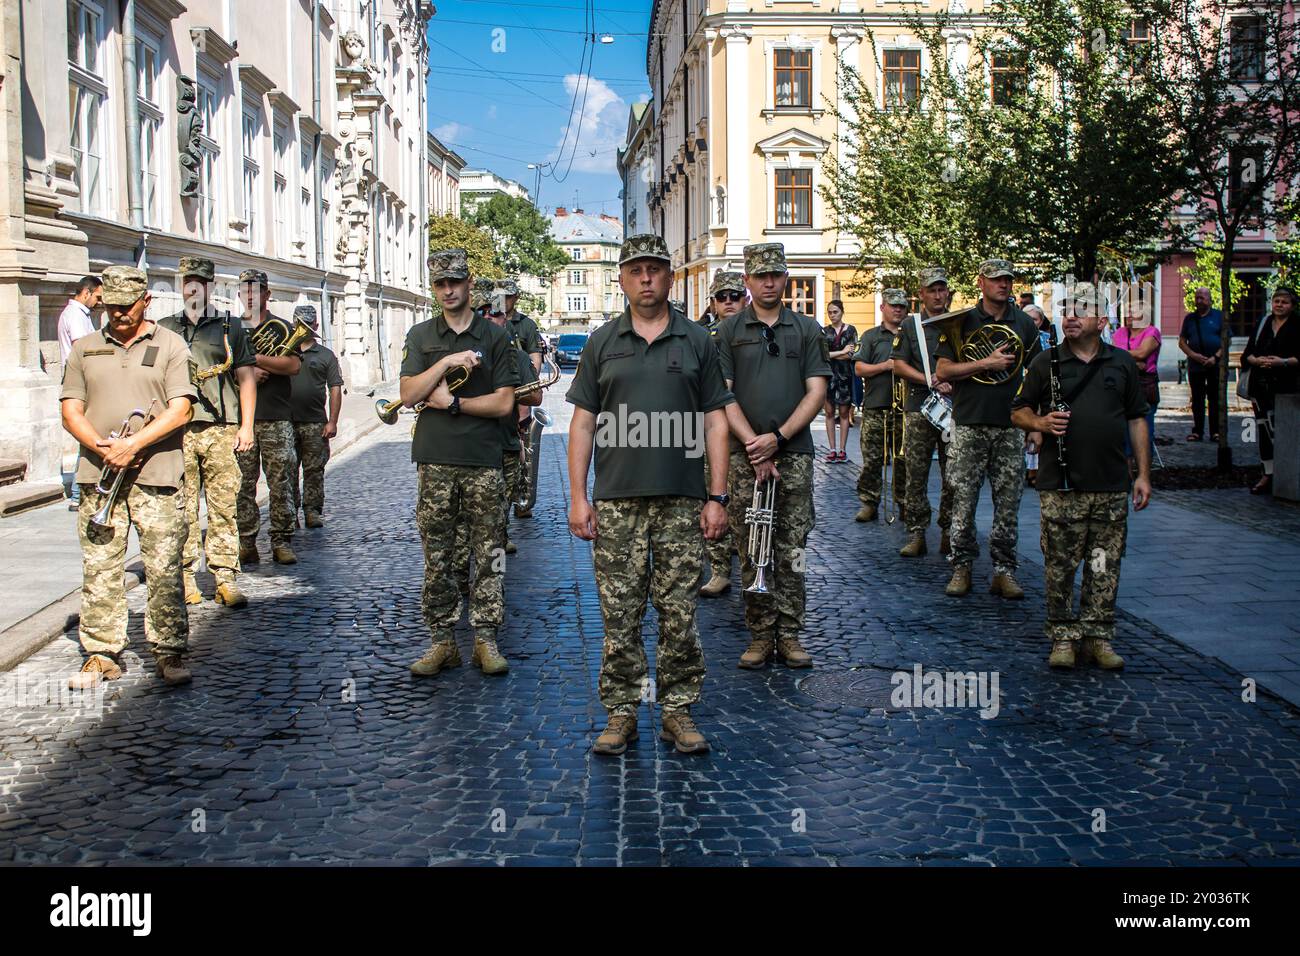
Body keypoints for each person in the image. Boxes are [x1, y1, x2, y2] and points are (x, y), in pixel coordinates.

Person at [567, 233, 732, 756]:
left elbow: (715, 423)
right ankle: (621, 711)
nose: (645, 278)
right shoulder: (601, 342)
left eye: (655, 269)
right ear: (621, 278)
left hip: (683, 501)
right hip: (617, 503)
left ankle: (677, 711)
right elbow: (582, 423)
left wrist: (718, 497)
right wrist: (578, 496)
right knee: (619, 613)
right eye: (635, 269)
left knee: (679, 610)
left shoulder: (697, 340)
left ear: (669, 276)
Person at [60, 265, 196, 689]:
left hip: (156, 473)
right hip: (99, 474)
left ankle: (169, 650)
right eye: (112, 306)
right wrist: (104, 447)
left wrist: (133, 446)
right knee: (99, 567)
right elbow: (70, 410)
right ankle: (101, 653)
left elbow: (181, 409)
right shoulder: (85, 348)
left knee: (163, 566)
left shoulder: (170, 344)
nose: (118, 314)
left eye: (127, 306)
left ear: (146, 302)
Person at [1011, 282, 1151, 670]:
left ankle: (1098, 635)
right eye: (1067, 309)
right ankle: (1062, 636)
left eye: (1081, 309)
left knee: (1104, 563)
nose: (1070, 315)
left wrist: (1142, 475)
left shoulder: (1121, 363)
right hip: (1062, 485)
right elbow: (1018, 410)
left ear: (1102, 320)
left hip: (1109, 484)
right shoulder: (1046, 362)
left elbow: (1137, 418)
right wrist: (1038, 421)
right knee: (1060, 564)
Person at [402, 249, 517, 677]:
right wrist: (448, 362)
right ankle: (442, 641)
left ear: (470, 284)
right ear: (434, 289)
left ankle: (486, 638)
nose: (448, 290)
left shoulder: (495, 337)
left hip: (483, 460)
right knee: (438, 556)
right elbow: (410, 393)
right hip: (434, 460)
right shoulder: (421, 335)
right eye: (440, 284)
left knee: (490, 554)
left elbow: (504, 402)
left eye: (455, 282)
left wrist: (453, 404)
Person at [715, 242, 830, 670]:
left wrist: (777, 439)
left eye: (775, 275)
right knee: (751, 546)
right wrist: (754, 444)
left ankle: (791, 632)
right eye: (760, 276)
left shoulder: (806, 328)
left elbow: (816, 391)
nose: (768, 282)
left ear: (785, 278)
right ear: (747, 282)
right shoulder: (728, 332)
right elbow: (722, 394)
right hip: (745, 457)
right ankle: (760, 633)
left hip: (794, 454)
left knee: (793, 545)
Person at [936, 258, 1042, 599]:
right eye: (997, 280)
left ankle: (1003, 571)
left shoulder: (1024, 324)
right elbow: (943, 371)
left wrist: (1036, 424)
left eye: (1008, 280)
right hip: (968, 422)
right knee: (962, 500)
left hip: (1009, 424)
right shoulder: (963, 321)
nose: (1004, 285)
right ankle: (962, 567)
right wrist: (987, 363)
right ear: (981, 282)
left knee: (1008, 502)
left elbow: (1038, 376)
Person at [158, 256, 257, 608]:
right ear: (181, 284)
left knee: (223, 505)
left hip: (221, 426)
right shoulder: (164, 328)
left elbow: (245, 378)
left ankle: (224, 576)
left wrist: (247, 425)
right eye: (188, 281)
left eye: (200, 281)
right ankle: (185, 576)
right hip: (179, 429)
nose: (193, 287)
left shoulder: (229, 326)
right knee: (181, 508)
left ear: (211, 286)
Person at [236, 270, 303, 566]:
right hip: (243, 420)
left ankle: (280, 540)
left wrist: (254, 361)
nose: (250, 296)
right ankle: (247, 541)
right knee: (242, 484)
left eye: (256, 290)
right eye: (245, 291)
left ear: (267, 294)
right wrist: (245, 375)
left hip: (276, 415)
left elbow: (292, 366)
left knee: (281, 481)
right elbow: (223, 367)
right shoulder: (230, 328)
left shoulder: (282, 328)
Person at [892, 265, 954, 556]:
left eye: (942, 289)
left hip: (953, 407)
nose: (938, 295)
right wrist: (929, 380)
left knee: (952, 473)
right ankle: (917, 532)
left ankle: (949, 529)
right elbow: (899, 364)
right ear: (922, 294)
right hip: (919, 406)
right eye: (932, 290)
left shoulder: (959, 322)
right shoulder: (910, 325)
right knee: (916, 472)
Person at [699, 268, 747, 598]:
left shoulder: (758, 332)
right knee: (713, 496)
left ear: (745, 299)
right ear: (713, 303)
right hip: (715, 430)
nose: (728, 302)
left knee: (747, 504)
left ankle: (751, 563)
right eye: (721, 297)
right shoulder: (704, 337)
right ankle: (718, 570)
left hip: (751, 430)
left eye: (734, 296)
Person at [1240, 286, 1300, 495]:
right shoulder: (1263, 323)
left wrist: (1282, 362)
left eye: (1284, 302)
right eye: (1277, 301)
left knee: (1286, 432)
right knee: (1264, 431)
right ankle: (1268, 473)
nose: (1279, 305)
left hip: (1288, 388)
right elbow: (1248, 352)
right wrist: (1256, 360)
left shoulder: (1297, 325)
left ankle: (1288, 474)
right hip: (1261, 386)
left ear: (1292, 305)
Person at [288, 305, 343, 527]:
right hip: (286, 421)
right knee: (287, 470)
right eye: (300, 324)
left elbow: (335, 388)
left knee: (314, 470)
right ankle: (290, 512)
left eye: (308, 324)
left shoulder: (326, 355)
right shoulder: (285, 351)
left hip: (315, 422)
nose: (304, 328)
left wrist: (332, 421)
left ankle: (312, 511)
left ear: (316, 326)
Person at [854, 289, 906, 521]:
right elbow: (859, 369)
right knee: (872, 459)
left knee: (903, 460)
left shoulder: (910, 335)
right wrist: (885, 366)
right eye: (893, 305)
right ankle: (869, 502)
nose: (897, 310)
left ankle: (904, 502)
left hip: (904, 409)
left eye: (901, 306)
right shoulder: (871, 336)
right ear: (882, 307)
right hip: (876, 406)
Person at [57, 276, 103, 509]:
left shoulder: (79, 314)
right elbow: (82, 348)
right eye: (97, 297)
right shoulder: (75, 315)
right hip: (81, 380)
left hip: (82, 378)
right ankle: (77, 494)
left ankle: (79, 492)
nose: (99, 302)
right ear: (86, 292)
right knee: (87, 432)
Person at [1112, 303, 1162, 470]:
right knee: (1123, 434)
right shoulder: (1120, 332)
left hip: (1144, 387)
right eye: (1127, 313)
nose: (1128, 316)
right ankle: (1126, 476)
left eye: (1132, 313)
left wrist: (1124, 355)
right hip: (1122, 385)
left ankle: (1143, 473)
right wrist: (1134, 361)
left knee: (1145, 431)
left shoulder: (1152, 332)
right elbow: (1112, 354)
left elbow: (1143, 353)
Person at [1178, 286, 1224, 442]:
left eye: (1202, 297)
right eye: (1197, 297)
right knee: (1197, 399)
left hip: (1215, 365)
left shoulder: (1219, 316)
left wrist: (1216, 358)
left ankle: (1215, 432)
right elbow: (1182, 341)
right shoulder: (1190, 319)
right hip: (1196, 365)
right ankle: (1197, 431)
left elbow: (1226, 340)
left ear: (1210, 299)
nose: (1199, 300)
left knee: (1215, 398)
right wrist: (1192, 355)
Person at [822, 299, 858, 462]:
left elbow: (850, 354)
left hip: (845, 377)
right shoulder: (824, 332)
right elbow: (822, 355)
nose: (832, 315)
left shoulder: (850, 330)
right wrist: (841, 352)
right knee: (829, 413)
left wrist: (833, 354)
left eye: (835, 312)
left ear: (842, 312)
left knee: (844, 413)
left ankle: (842, 449)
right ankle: (832, 449)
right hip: (828, 377)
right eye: (829, 312)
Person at [1023, 304, 1053, 486]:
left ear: (1041, 321)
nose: (1031, 323)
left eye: (1034, 319)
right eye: (1027, 319)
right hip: (1018, 388)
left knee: (1035, 428)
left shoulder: (1048, 339)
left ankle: (1034, 471)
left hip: (1039, 388)